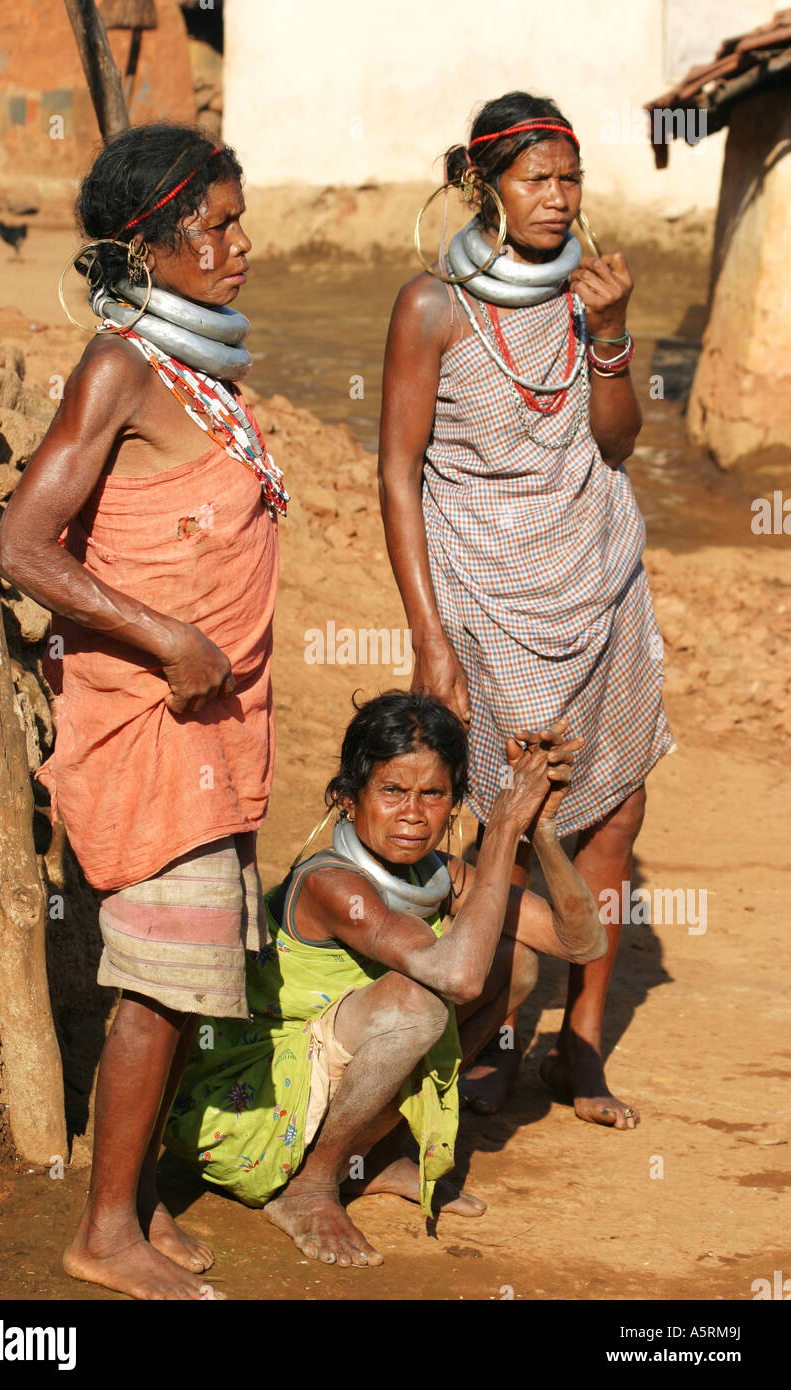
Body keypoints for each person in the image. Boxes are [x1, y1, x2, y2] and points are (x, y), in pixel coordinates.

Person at [0, 123, 287, 1301]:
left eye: (234, 215)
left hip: (209, 725)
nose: (237, 244)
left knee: (181, 975)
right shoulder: (119, 369)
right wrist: (164, 634)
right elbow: (20, 542)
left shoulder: (202, 374)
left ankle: (136, 1203)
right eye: (211, 227)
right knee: (157, 982)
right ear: (145, 248)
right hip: (150, 721)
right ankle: (101, 1230)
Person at [378, 92, 674, 1131]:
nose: (558, 200)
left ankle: (578, 1047)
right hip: (487, 597)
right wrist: (426, 631)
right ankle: (492, 1037)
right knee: (506, 822)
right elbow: (395, 469)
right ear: (482, 187)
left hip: (601, 573)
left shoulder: (582, 296)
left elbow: (619, 441)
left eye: (569, 179)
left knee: (616, 810)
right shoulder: (430, 307)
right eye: (534, 180)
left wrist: (610, 334)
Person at [164, 690, 606, 1268]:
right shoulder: (332, 884)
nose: (414, 814)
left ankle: (366, 1157)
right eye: (392, 791)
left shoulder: (438, 872)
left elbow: (581, 944)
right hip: (246, 1105)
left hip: (322, 1073)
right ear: (349, 799)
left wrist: (540, 831)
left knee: (516, 963)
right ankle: (310, 1184)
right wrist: (500, 832)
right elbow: (458, 979)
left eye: (434, 794)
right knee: (422, 1001)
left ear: (454, 803)